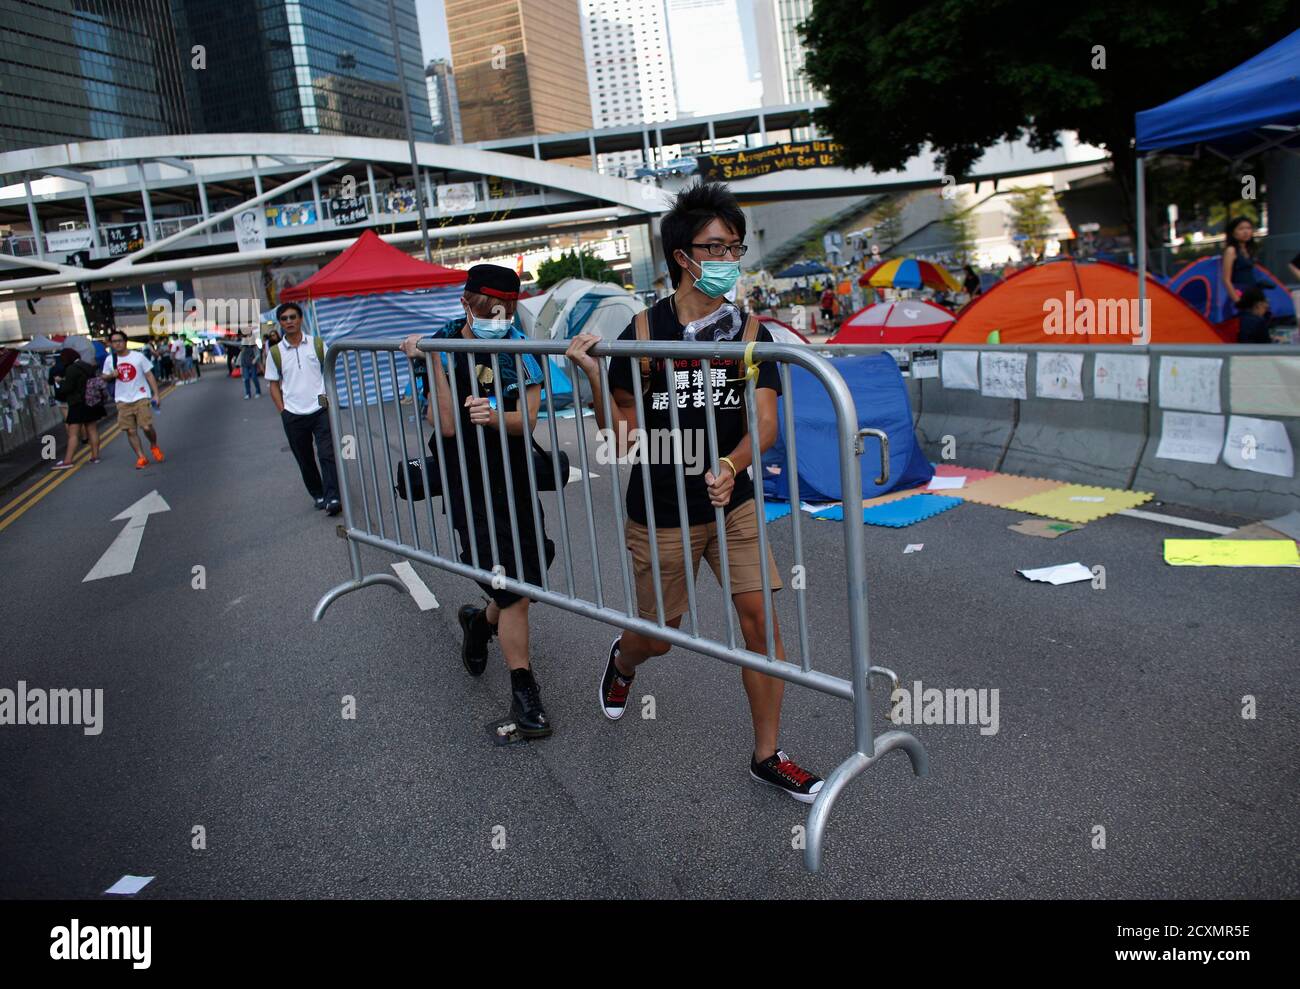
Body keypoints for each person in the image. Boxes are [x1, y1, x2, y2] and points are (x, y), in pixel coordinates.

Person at [566, 179, 824, 803]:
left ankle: (768, 754)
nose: (729, 260)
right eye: (716, 247)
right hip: (659, 511)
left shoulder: (751, 331)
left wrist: (732, 465)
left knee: (758, 621)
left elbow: (763, 425)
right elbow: (623, 437)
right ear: (682, 257)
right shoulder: (641, 331)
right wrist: (592, 375)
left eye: (736, 247)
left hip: (730, 501)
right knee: (661, 633)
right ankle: (625, 661)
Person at [399, 264, 555, 738]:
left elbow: (525, 421)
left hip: (514, 475)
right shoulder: (441, 341)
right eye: (492, 309)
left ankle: (477, 622)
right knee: (511, 587)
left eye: (508, 309)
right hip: (469, 482)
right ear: (467, 303)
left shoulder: (519, 347)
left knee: (530, 576)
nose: (501, 317)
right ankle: (523, 690)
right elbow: (445, 426)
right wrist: (431, 364)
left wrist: (493, 417)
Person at [265, 302, 340, 515]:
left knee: (327, 454)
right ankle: (318, 493)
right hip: (293, 414)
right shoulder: (275, 352)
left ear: (300, 319)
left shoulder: (316, 344)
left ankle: (333, 496)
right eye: (285, 318)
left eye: (293, 317)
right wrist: (283, 410)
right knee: (305, 458)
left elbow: (329, 373)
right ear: (280, 323)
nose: (289, 321)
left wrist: (329, 401)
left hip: (320, 409)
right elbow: (272, 384)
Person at [101, 330, 164, 469]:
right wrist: (112, 375)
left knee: (146, 427)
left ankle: (153, 445)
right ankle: (141, 457)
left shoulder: (138, 357)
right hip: (122, 399)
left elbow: (149, 375)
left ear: (125, 342)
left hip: (140, 396)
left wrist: (156, 394)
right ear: (111, 344)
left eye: (119, 341)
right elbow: (104, 376)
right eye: (114, 342)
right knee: (130, 430)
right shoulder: (110, 359)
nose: (117, 344)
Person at [51, 348, 105, 468]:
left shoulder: (71, 369)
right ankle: (95, 457)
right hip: (92, 402)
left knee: (73, 433)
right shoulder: (87, 365)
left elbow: (68, 387)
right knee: (92, 429)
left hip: (78, 403)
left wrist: (60, 382)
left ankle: (67, 461)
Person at [1221, 216, 1260, 316]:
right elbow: (1226, 279)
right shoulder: (1231, 250)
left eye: (1248, 228)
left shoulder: (1249, 250)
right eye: (1241, 229)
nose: (1246, 232)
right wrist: (1238, 301)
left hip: (1252, 292)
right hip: (1239, 292)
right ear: (1233, 232)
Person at [239, 333, 262, 399]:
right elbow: (233, 343)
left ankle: (258, 391)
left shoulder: (254, 345)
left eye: (249, 336)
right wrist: (222, 341)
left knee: (254, 378)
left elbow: (258, 354)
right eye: (247, 336)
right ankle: (248, 394)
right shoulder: (243, 345)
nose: (248, 338)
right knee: (246, 379)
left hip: (252, 364)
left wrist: (255, 360)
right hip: (245, 364)